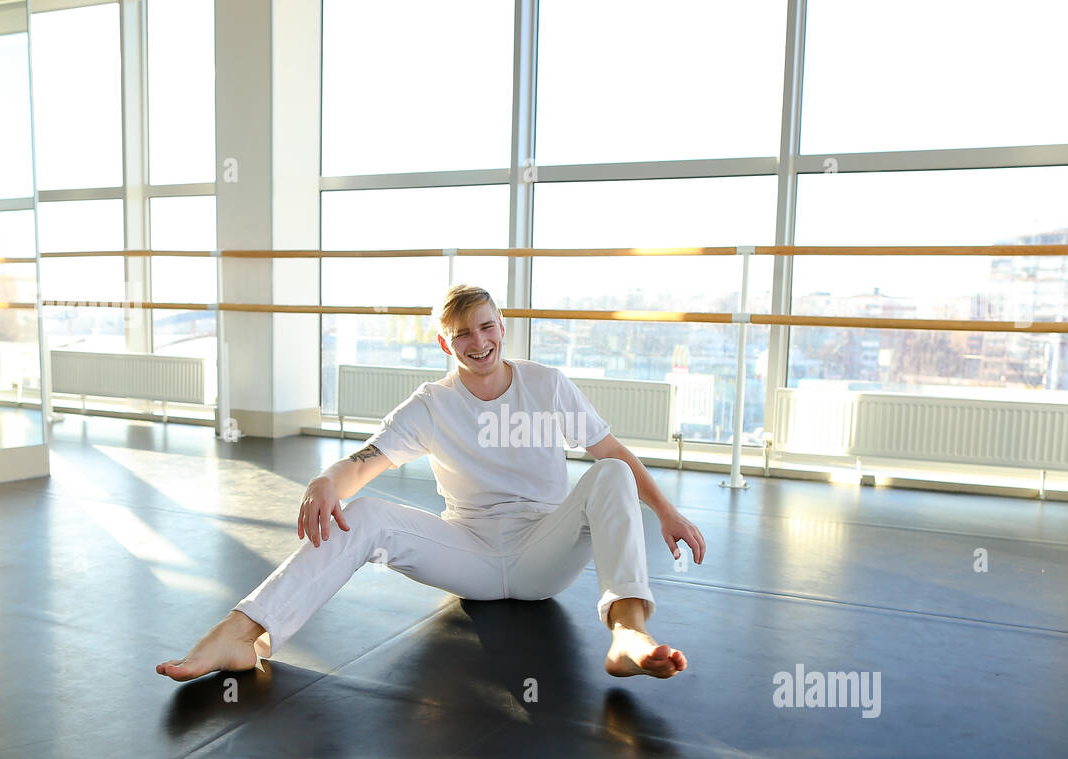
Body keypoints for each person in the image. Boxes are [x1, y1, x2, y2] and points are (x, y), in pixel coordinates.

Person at [157, 284, 705, 683]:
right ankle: (244, 631)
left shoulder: (547, 385)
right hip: (471, 553)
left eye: (486, 327)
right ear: (447, 345)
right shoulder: (432, 404)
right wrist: (327, 479)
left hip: (546, 550)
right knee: (366, 512)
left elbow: (612, 452)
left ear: (502, 329)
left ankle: (628, 632)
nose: (478, 341)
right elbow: (367, 459)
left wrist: (667, 512)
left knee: (609, 472)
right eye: (462, 334)